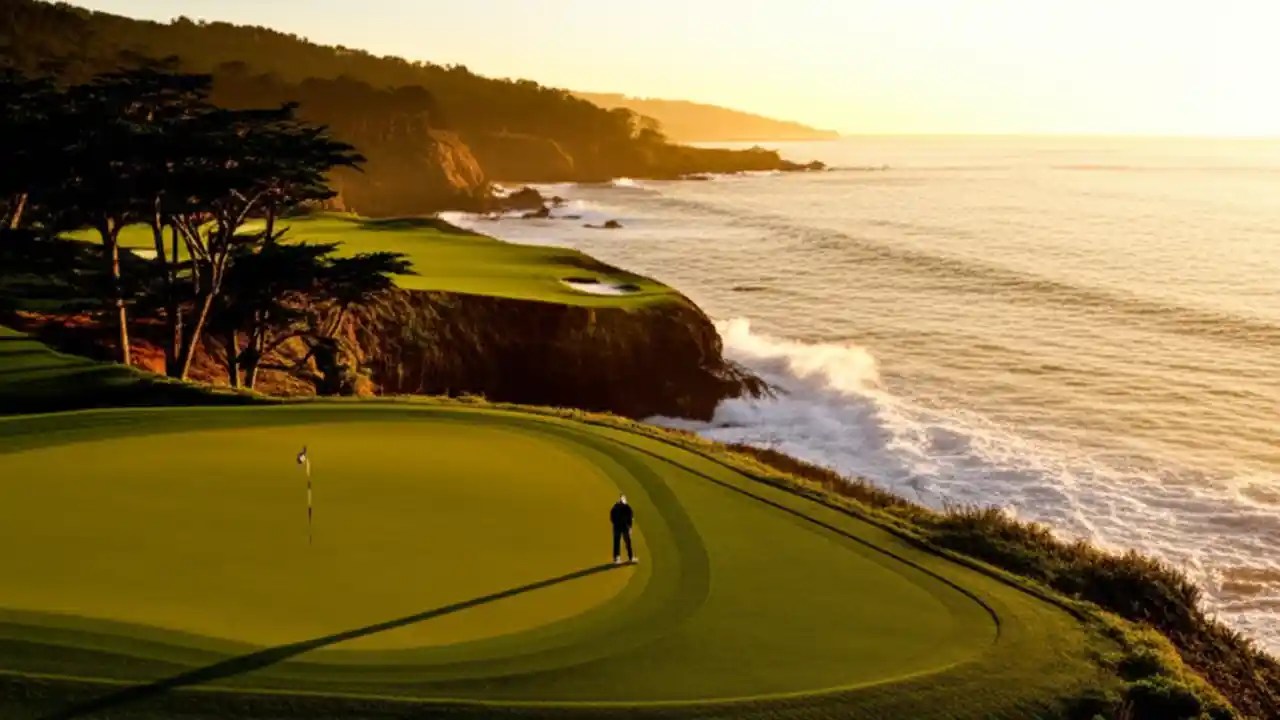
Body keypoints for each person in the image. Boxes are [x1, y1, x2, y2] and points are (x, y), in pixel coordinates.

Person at [610, 494, 636, 564]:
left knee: (628, 542)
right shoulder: (615, 508)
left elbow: (630, 518)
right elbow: (612, 517)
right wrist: (616, 523)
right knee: (617, 542)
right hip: (617, 527)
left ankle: (631, 558)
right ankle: (617, 558)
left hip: (625, 527)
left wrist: (630, 527)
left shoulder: (627, 508)